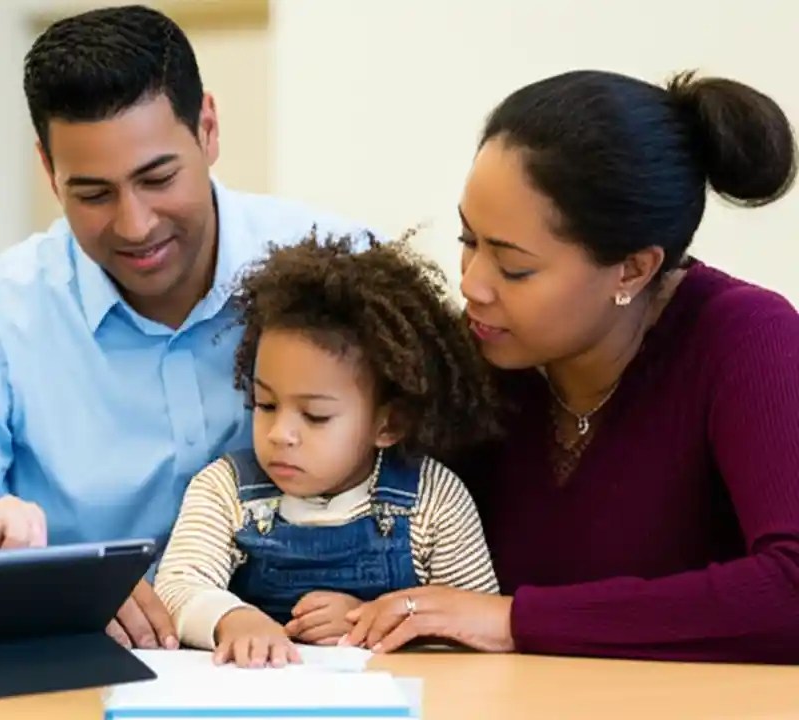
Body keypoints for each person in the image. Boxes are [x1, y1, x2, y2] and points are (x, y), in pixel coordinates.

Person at [0, 4, 367, 650]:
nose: (136, 225)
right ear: (47, 170)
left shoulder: (342, 275)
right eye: (93, 194)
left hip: (327, 665)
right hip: (86, 675)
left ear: (210, 129)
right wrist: (52, 593)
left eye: (158, 177)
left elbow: (443, 485)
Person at [341, 69, 799, 664]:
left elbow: (789, 591)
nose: (472, 284)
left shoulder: (748, 340)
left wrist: (515, 620)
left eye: (514, 268)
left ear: (632, 270)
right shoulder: (475, 354)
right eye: (468, 239)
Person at [154, 233, 501, 668]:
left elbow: (472, 620)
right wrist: (233, 618)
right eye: (265, 404)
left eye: (315, 416)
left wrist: (366, 620)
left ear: (388, 424)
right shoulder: (226, 489)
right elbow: (177, 586)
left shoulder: (433, 499)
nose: (280, 434)